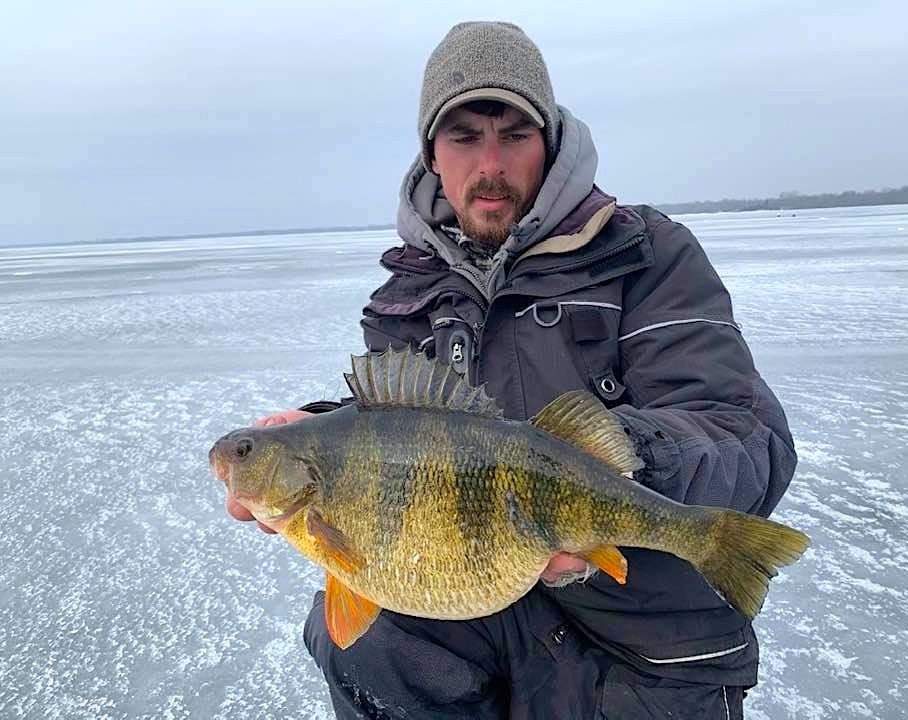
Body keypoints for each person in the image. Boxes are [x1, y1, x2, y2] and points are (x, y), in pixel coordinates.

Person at [226, 21, 797, 719]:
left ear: (550, 144)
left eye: (515, 134)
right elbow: (400, 432)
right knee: (359, 644)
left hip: (645, 644)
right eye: (464, 136)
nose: (489, 164)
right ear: (432, 154)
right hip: (473, 618)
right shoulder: (405, 297)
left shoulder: (651, 256)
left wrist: (610, 467)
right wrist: (317, 430)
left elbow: (746, 437)